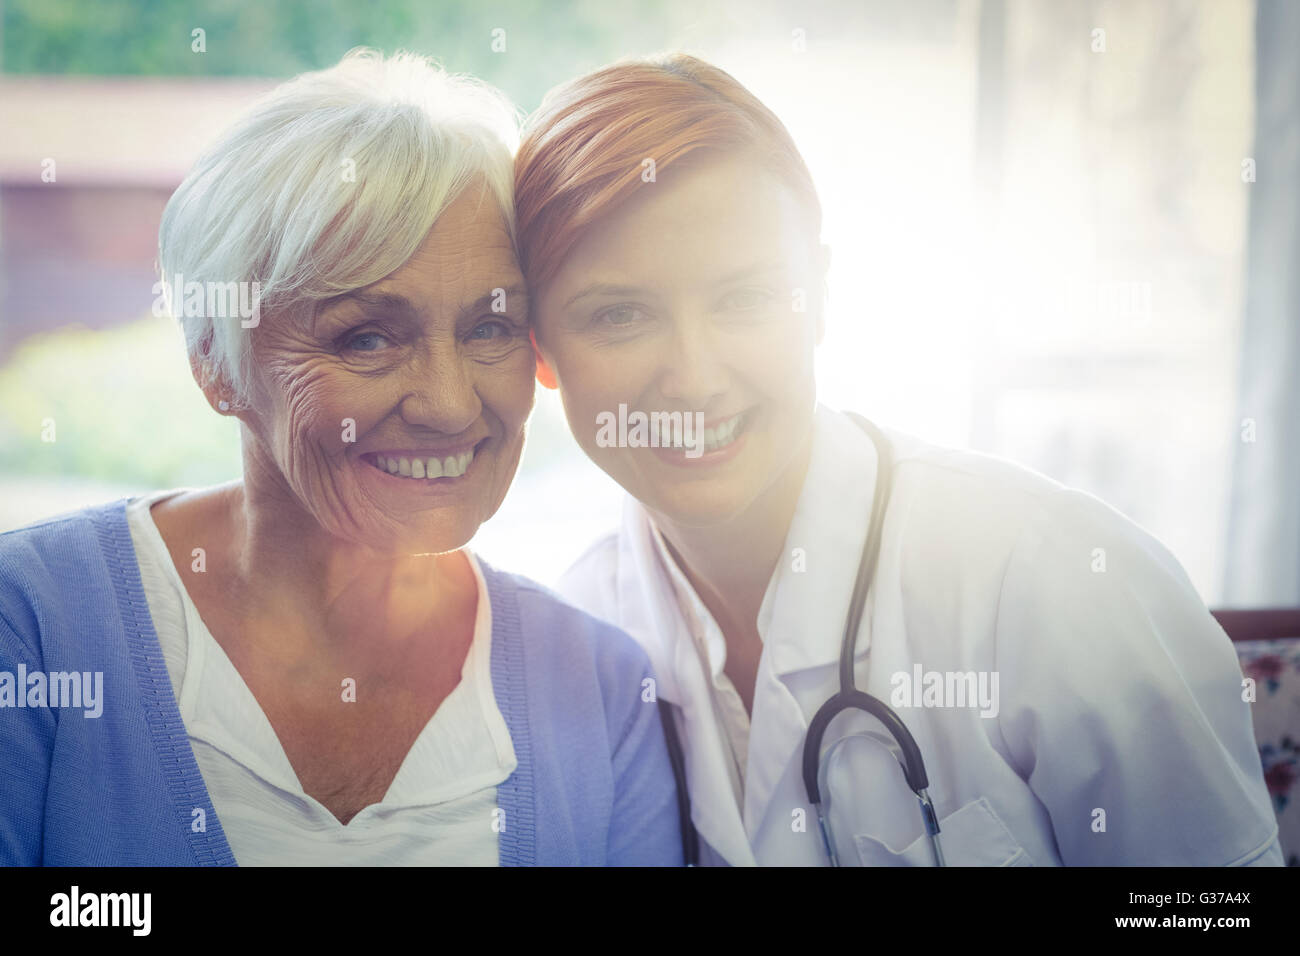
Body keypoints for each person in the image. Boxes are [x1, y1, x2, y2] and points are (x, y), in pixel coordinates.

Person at [513, 53, 1283, 866]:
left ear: (820, 298)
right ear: (539, 350)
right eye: (619, 315)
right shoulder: (573, 648)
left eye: (746, 298)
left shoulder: (1058, 581)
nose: (694, 379)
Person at [0, 49, 681, 866]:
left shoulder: (603, 688)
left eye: (489, 327)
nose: (449, 405)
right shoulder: (34, 626)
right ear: (216, 364)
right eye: (366, 338)